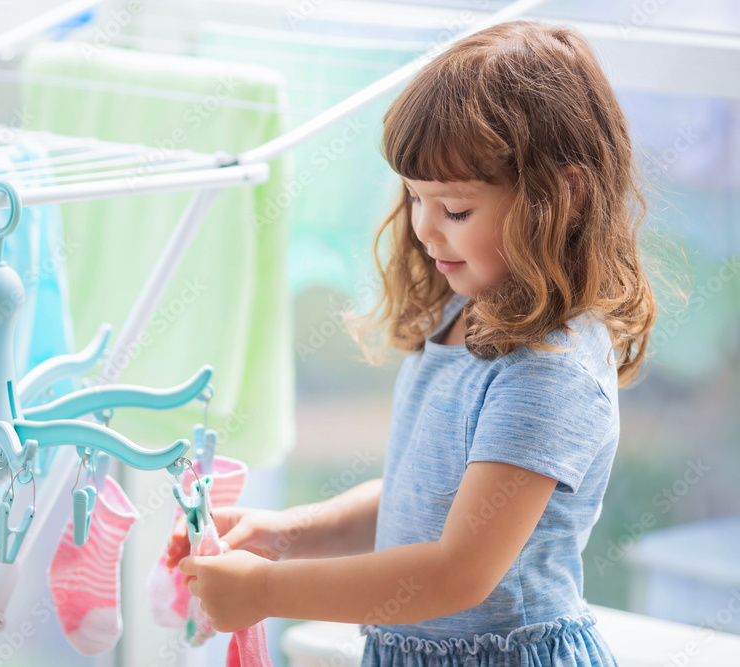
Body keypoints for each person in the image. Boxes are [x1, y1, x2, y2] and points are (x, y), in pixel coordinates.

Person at [172, 20, 656, 666]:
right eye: (415, 196)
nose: (425, 228)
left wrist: (266, 589)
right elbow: (420, 500)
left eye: (454, 210)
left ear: (562, 196)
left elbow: (456, 570)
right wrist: (285, 534)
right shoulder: (462, 312)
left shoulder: (550, 369)